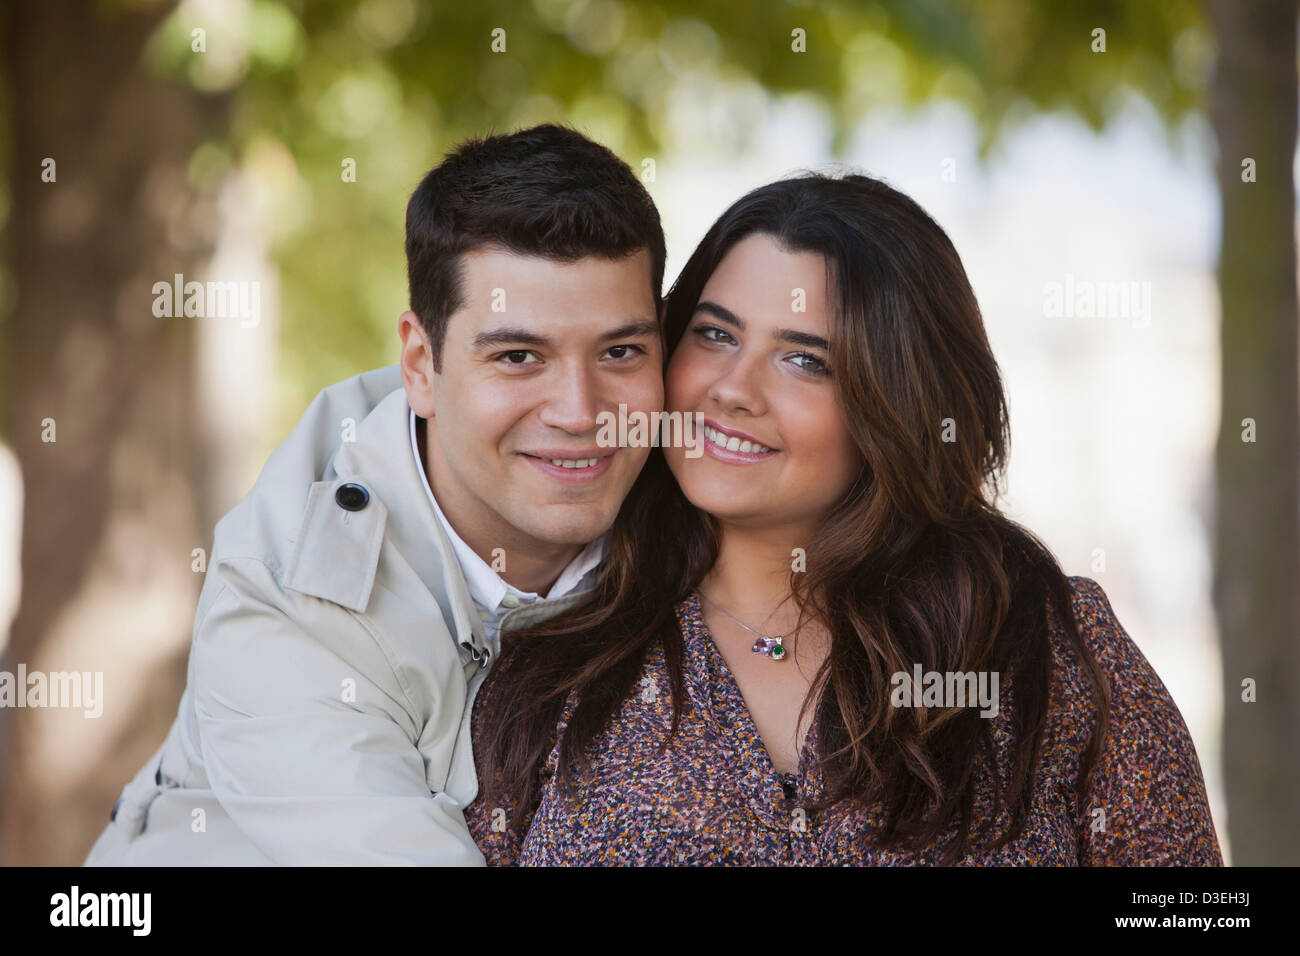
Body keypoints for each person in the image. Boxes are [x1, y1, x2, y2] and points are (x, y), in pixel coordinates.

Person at [466, 172, 1224, 866]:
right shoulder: (554, 659)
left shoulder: (1047, 645)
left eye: (805, 360)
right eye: (716, 334)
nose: (732, 389)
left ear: (897, 399)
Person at [84, 124, 666, 865]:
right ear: (421, 365)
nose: (581, 412)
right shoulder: (285, 597)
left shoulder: (695, 513)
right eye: (519, 357)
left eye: (620, 352)